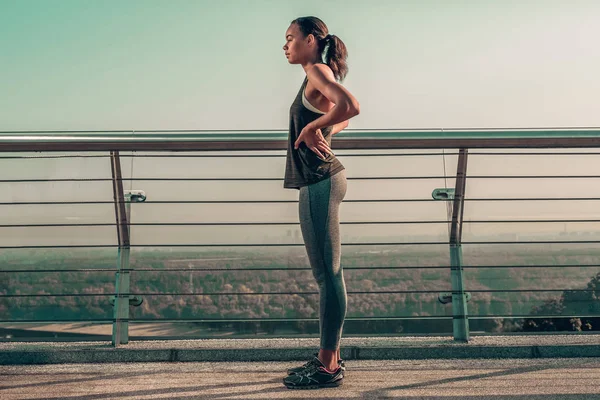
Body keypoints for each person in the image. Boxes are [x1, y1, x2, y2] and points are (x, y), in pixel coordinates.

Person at [281, 16, 360, 390]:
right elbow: (341, 114)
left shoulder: (316, 70)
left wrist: (313, 128)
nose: (285, 45)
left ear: (311, 40)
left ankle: (328, 367)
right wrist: (324, 126)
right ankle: (331, 358)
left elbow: (352, 106)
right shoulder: (315, 73)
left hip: (320, 182)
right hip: (322, 181)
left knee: (327, 276)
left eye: (291, 38)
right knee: (329, 274)